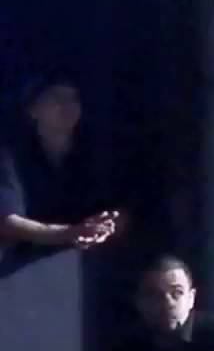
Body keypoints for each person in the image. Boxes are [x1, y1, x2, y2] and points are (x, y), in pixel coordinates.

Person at [0, 73, 124, 264]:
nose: (68, 105)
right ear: (33, 110)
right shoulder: (10, 157)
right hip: (22, 265)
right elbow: (8, 222)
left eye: (73, 98)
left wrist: (106, 227)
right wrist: (68, 233)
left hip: (88, 263)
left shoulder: (95, 155)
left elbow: (119, 208)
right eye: (56, 98)